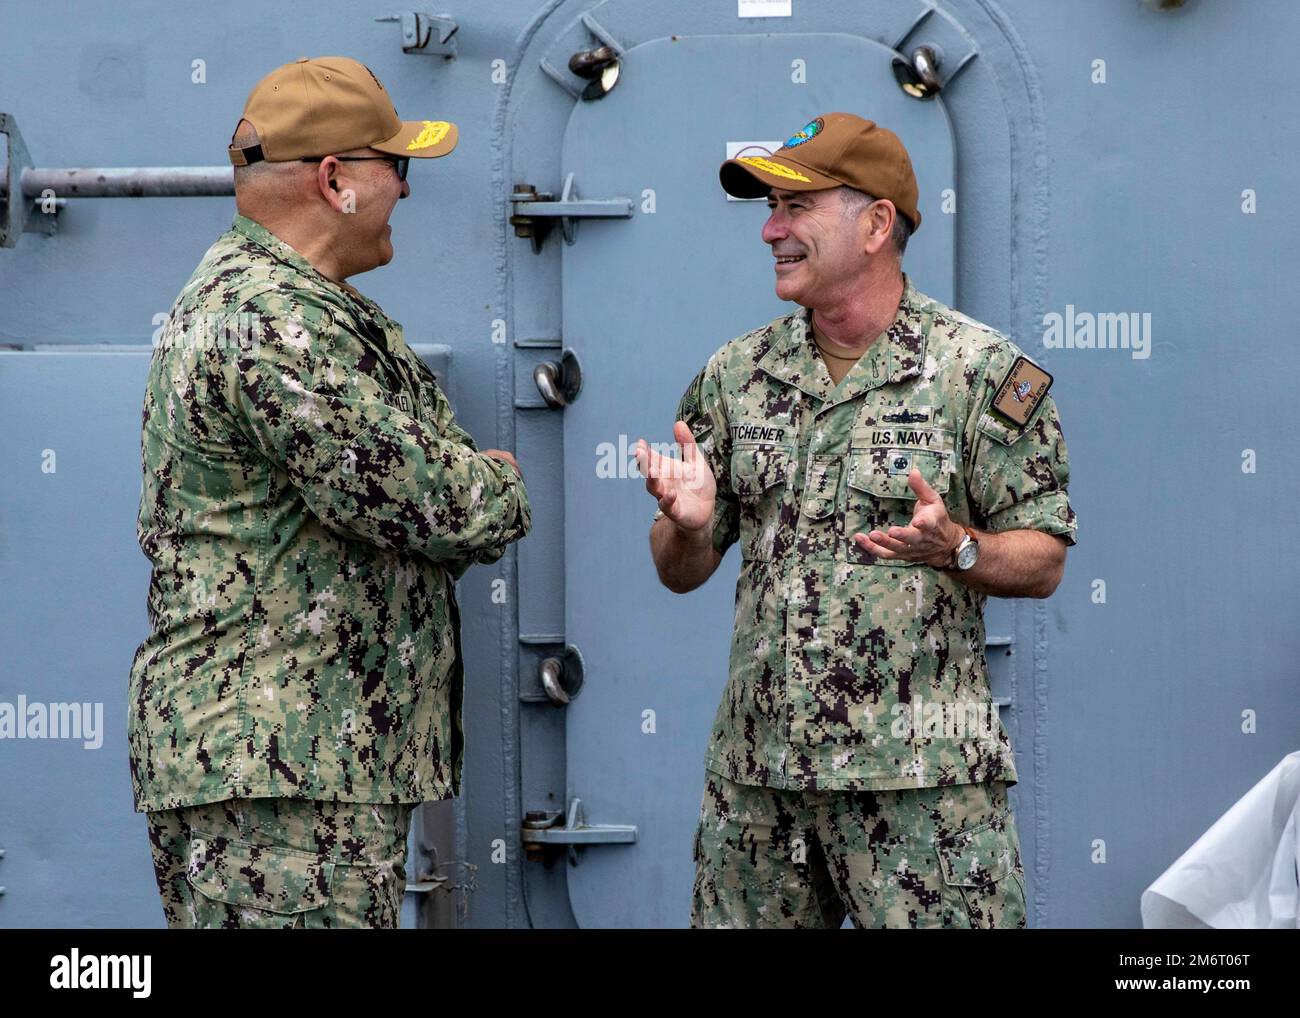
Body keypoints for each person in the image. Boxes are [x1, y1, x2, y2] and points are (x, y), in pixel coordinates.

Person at [635, 112, 1077, 928]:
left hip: (921, 787)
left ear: (876, 223)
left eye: (796, 208)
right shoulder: (736, 375)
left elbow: (1044, 556)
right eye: (769, 207)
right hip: (761, 784)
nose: (771, 229)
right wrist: (690, 527)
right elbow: (678, 569)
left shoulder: (978, 374)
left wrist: (960, 549)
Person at [128, 56, 530, 928]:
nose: (409, 194)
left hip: (299, 768)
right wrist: (498, 483)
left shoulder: (281, 301)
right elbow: (433, 500)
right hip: (281, 774)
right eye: (400, 168)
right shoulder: (280, 320)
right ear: (336, 180)